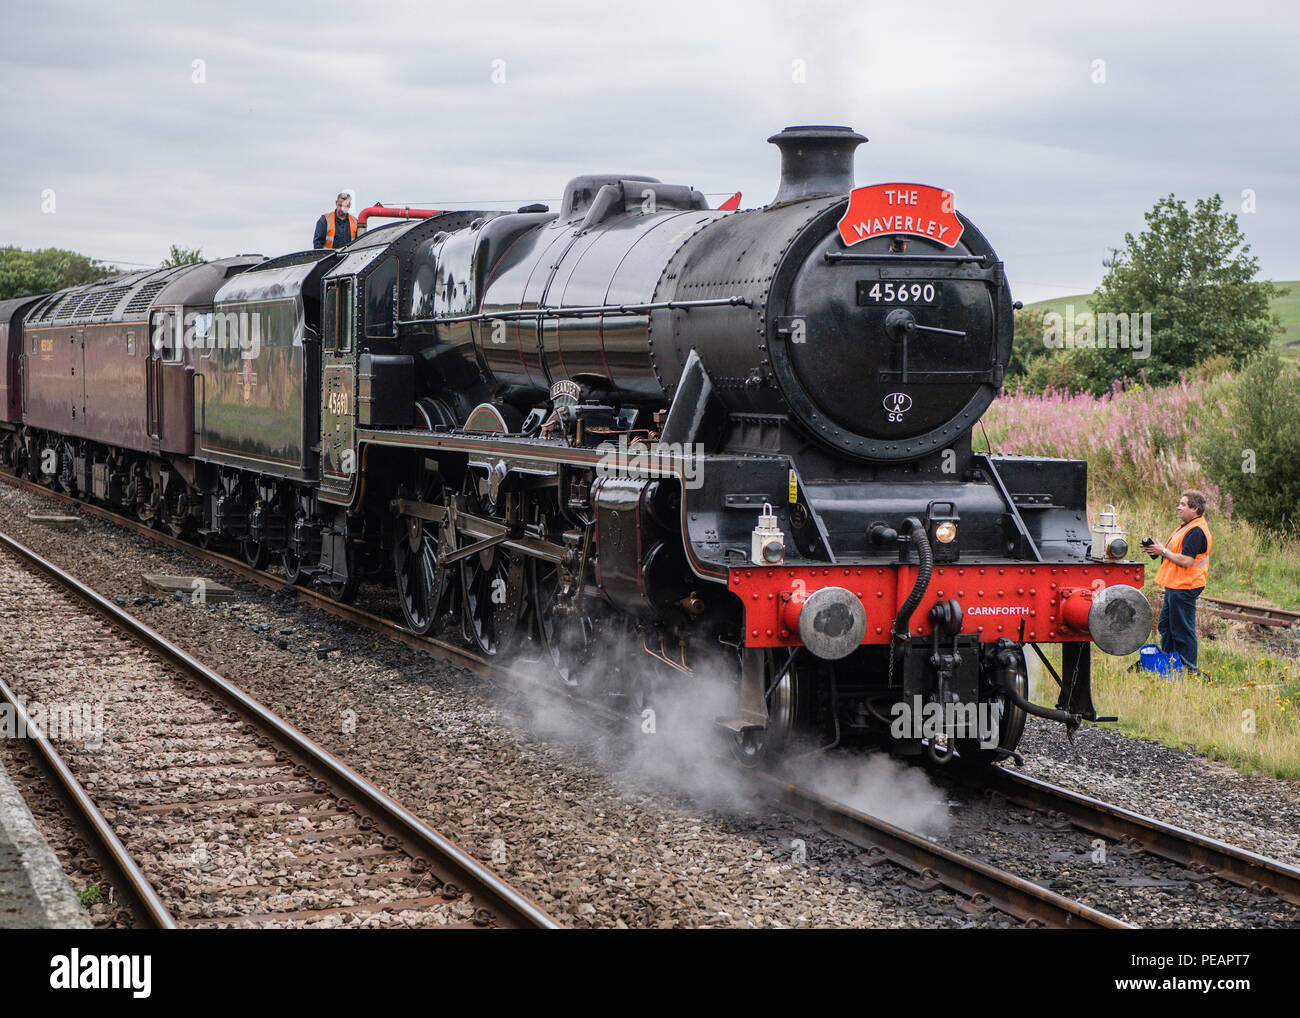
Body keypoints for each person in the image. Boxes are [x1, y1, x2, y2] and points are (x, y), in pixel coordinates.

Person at [1144, 490, 1211, 672]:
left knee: (1183, 631)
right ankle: (1170, 665)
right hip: (1176, 584)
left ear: (1195, 509)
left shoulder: (1196, 531)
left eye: (1183, 504)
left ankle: (1189, 670)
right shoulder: (1187, 526)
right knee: (1166, 626)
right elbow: (1178, 553)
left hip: (1185, 585)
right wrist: (1159, 551)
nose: (1178, 507)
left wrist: (1163, 552)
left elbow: (1187, 561)